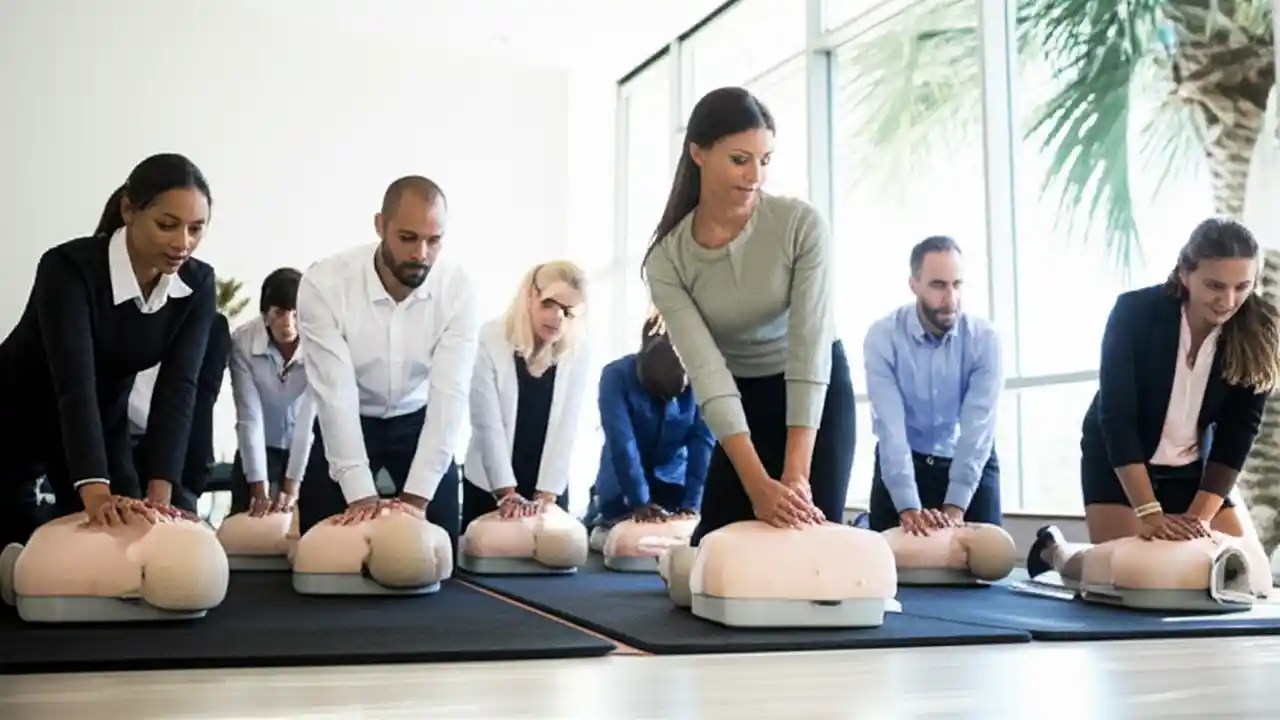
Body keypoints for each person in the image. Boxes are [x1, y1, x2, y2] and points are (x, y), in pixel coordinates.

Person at [641, 86, 854, 545]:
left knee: (807, 548)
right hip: (742, 401)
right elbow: (709, 374)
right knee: (711, 553)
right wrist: (758, 486)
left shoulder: (802, 225)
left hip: (816, 401)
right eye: (740, 159)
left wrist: (796, 477)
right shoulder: (667, 262)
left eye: (765, 160)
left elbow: (810, 347)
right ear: (698, 153)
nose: (755, 175)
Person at [0, 153, 217, 547]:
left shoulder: (197, 285)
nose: (182, 243)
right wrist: (95, 492)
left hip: (101, 424)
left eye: (196, 229)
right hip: (16, 415)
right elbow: (74, 382)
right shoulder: (68, 268)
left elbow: (179, 388)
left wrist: (160, 491)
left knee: (128, 534)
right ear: (129, 211)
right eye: (167, 225)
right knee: (18, 542)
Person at [295, 175, 479, 549]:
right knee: (323, 551)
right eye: (408, 238)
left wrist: (416, 500)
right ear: (380, 226)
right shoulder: (325, 283)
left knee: (439, 553)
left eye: (434, 240)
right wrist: (361, 495)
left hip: (417, 421)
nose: (421, 253)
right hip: (350, 419)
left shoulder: (458, 289)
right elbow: (334, 395)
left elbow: (450, 396)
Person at [1081, 217, 1280, 546]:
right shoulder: (1133, 312)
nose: (1228, 301)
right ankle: (1054, 550)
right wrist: (1149, 513)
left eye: (1241, 287)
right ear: (1186, 274)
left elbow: (1239, 431)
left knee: (1242, 572)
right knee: (1128, 571)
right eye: (1215, 286)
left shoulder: (1258, 331)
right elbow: (1117, 419)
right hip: (1120, 461)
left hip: (1188, 469)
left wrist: (1198, 520)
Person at [863, 236, 1003, 534]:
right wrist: (908, 507)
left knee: (987, 559)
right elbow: (890, 428)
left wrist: (955, 508)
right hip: (906, 458)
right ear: (914, 284)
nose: (950, 299)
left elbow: (977, 428)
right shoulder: (882, 337)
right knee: (888, 562)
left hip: (967, 458)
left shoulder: (985, 340)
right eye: (938, 285)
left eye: (957, 284)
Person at [460, 261, 591, 532]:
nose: (557, 317)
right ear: (530, 295)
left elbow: (568, 426)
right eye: (549, 304)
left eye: (568, 312)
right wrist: (505, 493)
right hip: (490, 485)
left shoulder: (578, 349)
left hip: (548, 486)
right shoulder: (488, 338)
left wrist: (547, 496)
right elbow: (487, 423)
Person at [583, 314, 714, 532]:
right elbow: (622, 442)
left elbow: (703, 445)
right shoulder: (615, 376)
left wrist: (692, 506)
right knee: (623, 539)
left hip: (675, 485)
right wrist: (639, 502)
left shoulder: (703, 380)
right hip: (621, 484)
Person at [227, 268, 317, 517]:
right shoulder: (243, 342)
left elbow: (308, 419)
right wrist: (258, 486)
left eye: (296, 314)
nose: (289, 323)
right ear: (266, 315)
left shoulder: (320, 340)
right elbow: (249, 416)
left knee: (307, 525)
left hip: (309, 448)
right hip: (259, 444)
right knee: (247, 518)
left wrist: (292, 483)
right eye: (279, 313)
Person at [127, 310, 231, 514]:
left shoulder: (212, 325)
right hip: (124, 452)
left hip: (183, 462)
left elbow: (202, 402)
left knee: (179, 531)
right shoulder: (123, 318)